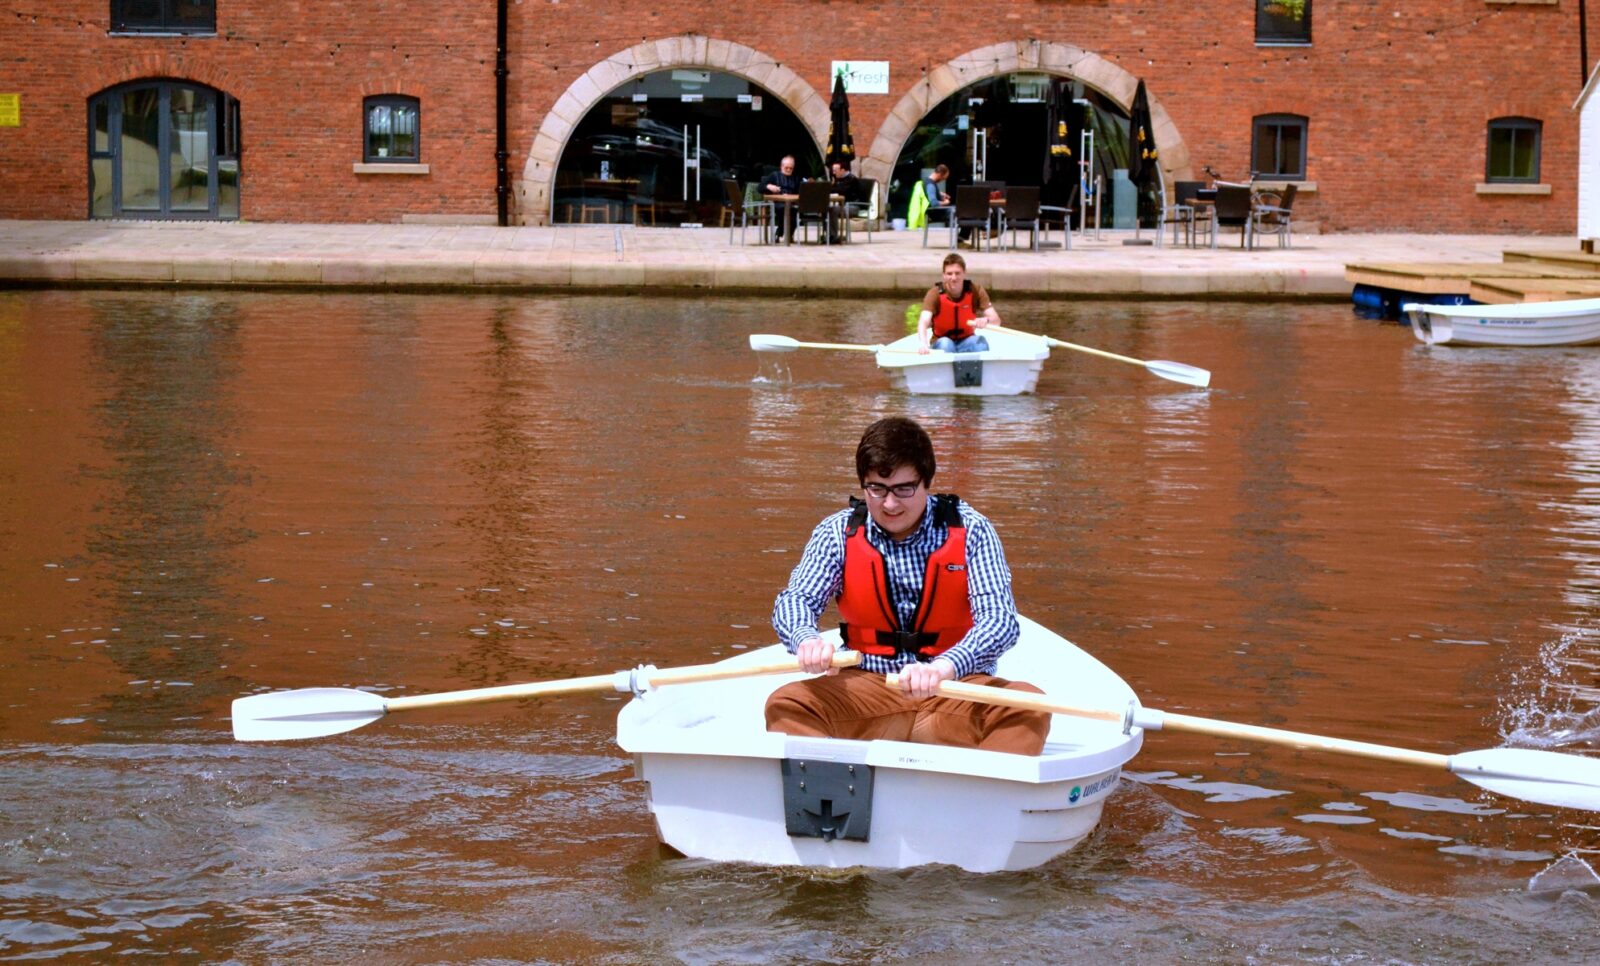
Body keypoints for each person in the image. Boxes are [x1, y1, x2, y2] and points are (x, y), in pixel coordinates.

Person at [765, 417, 1050, 755]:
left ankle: (982, 795)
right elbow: (795, 599)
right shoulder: (836, 533)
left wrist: (944, 666)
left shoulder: (973, 529)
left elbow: (999, 621)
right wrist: (805, 639)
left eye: (903, 489)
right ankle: (841, 786)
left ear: (926, 482)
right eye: (877, 489)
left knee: (1028, 705)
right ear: (864, 484)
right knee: (786, 703)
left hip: (954, 688)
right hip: (868, 686)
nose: (890, 504)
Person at [917, 252, 999, 354]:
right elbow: (923, 321)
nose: (954, 278)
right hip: (942, 342)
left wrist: (985, 320)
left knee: (980, 343)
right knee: (946, 344)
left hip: (966, 340)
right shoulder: (935, 294)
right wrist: (923, 344)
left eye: (957, 273)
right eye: (949, 274)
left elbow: (996, 321)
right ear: (943, 275)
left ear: (964, 273)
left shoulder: (976, 291)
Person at [761, 155, 803, 240]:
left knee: (795, 211)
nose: (788, 170)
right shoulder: (774, 175)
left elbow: (800, 191)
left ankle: (788, 234)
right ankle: (780, 233)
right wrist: (769, 186)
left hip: (792, 203)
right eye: (786, 168)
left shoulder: (795, 178)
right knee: (784, 210)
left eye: (791, 168)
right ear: (781, 166)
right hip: (778, 203)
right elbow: (760, 187)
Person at [906, 163, 950, 231]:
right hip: (932, 213)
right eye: (943, 178)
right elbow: (934, 203)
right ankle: (959, 237)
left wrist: (940, 194)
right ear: (940, 174)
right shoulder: (931, 185)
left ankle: (961, 237)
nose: (942, 180)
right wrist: (945, 202)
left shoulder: (926, 181)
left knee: (959, 213)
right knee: (956, 213)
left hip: (930, 212)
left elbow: (928, 193)